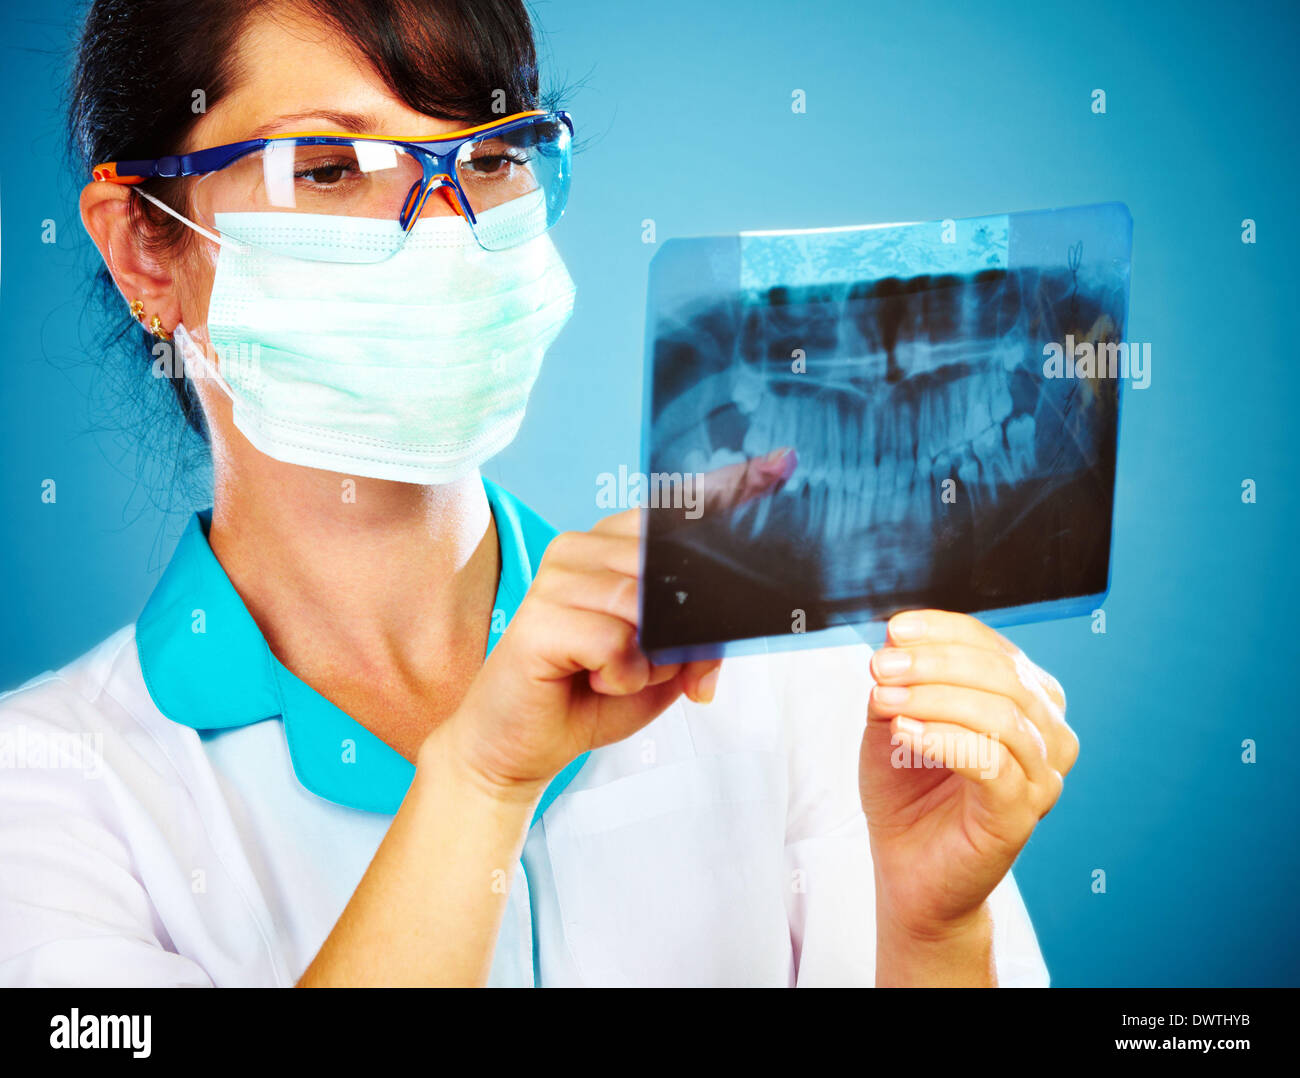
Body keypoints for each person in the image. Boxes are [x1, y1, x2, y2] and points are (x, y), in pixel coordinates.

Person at [0, 0, 1076, 987]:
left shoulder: (779, 679)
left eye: (496, 152)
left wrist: (934, 934)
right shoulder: (46, 790)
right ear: (148, 246)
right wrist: (478, 780)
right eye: (327, 166)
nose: (438, 226)